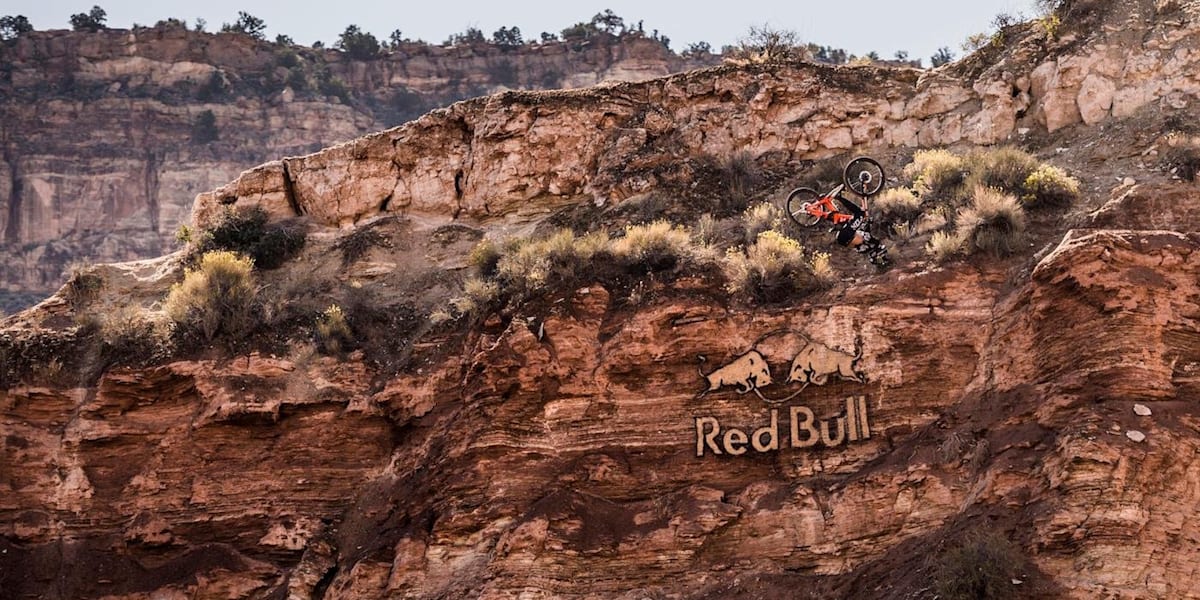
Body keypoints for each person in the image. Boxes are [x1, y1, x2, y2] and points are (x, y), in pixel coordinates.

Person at [831, 194, 888, 267]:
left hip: (848, 235)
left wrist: (867, 223)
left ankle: (839, 198)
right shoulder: (868, 248)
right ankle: (826, 211)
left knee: (859, 213)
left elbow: (864, 235)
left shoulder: (870, 245)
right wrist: (867, 224)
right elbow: (864, 233)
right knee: (847, 220)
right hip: (845, 238)